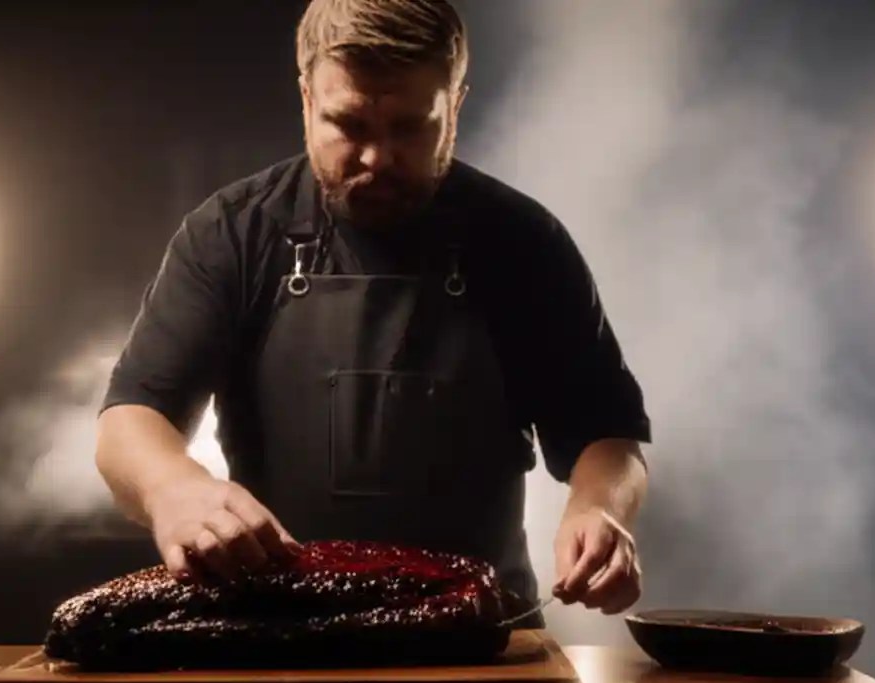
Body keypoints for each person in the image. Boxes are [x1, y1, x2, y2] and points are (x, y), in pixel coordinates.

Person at [96, 0, 651, 625]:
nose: (377, 159)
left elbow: (609, 434)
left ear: (456, 103)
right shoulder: (232, 233)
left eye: (412, 128)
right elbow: (130, 422)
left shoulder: (525, 242)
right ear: (307, 98)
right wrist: (173, 488)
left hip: (482, 640)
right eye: (350, 125)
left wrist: (600, 508)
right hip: (278, 632)